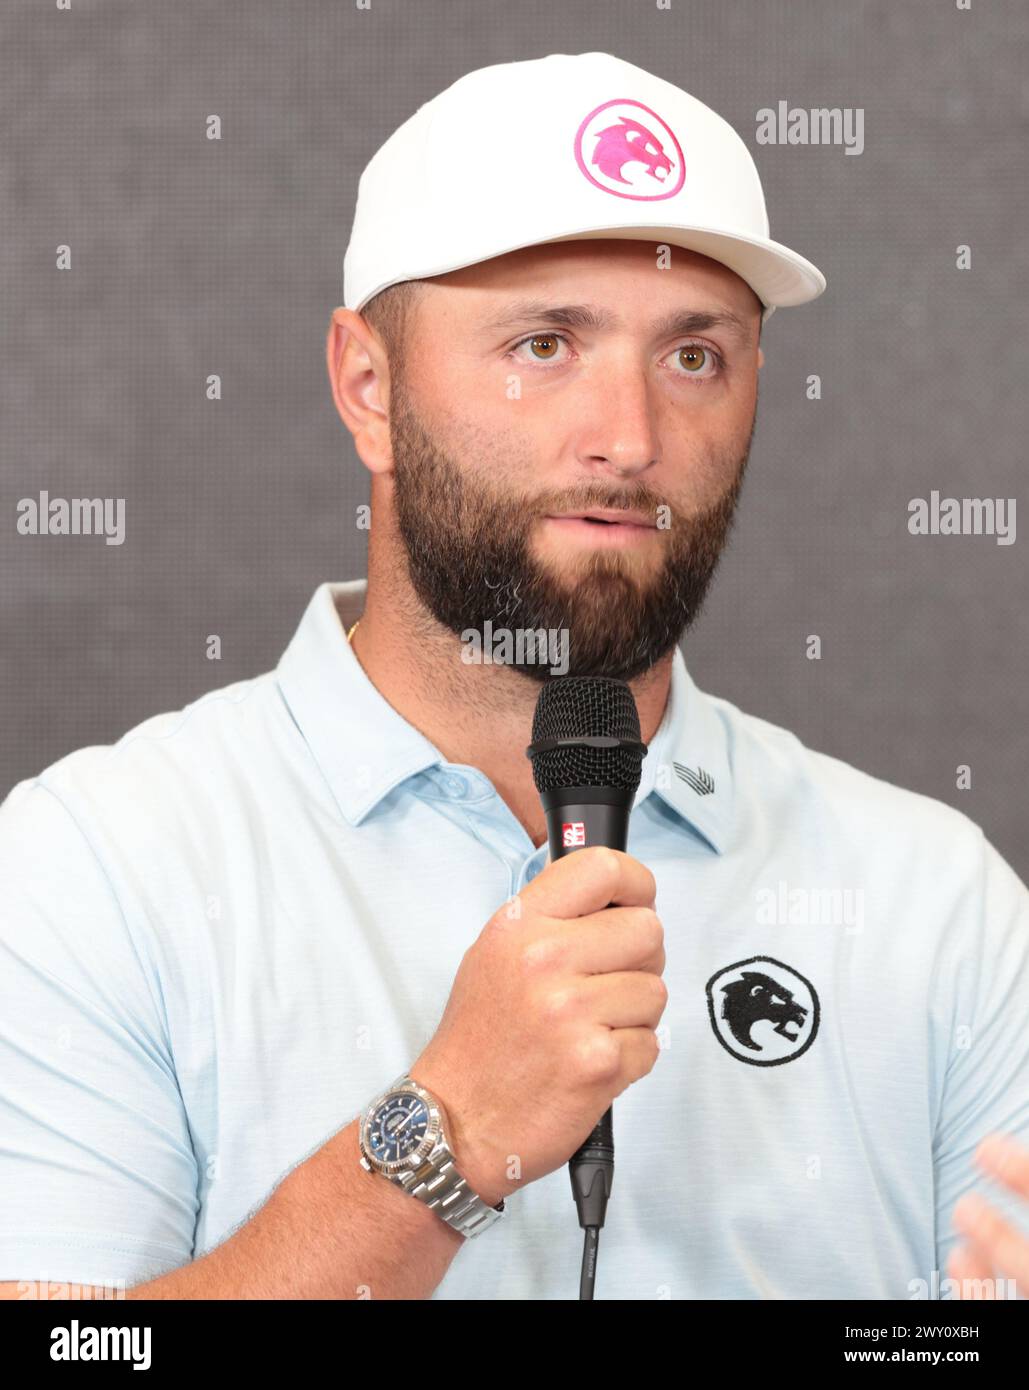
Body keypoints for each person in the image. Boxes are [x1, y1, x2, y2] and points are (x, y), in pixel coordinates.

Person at [0, 52, 1026, 1302]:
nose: (630, 438)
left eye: (693, 355)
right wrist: (446, 1137)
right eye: (544, 343)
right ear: (367, 387)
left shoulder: (940, 905)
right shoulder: (91, 870)